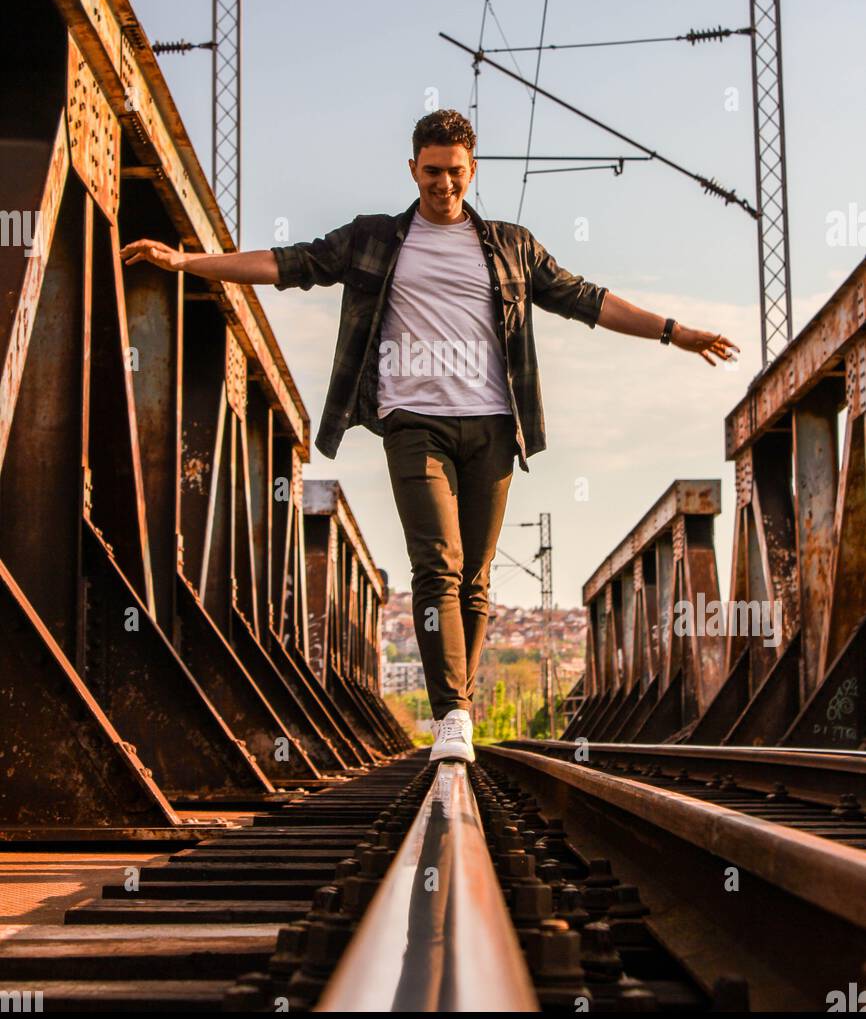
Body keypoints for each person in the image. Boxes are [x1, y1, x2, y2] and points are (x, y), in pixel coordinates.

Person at [121, 108, 739, 764]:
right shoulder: (374, 239)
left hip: (495, 428)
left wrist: (673, 331)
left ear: (473, 172)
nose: (444, 184)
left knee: (474, 577)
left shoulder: (511, 245)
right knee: (436, 564)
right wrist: (189, 261)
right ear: (412, 167)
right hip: (412, 421)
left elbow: (588, 299)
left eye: (456, 173)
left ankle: (459, 702)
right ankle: (454, 715)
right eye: (432, 171)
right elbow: (289, 262)